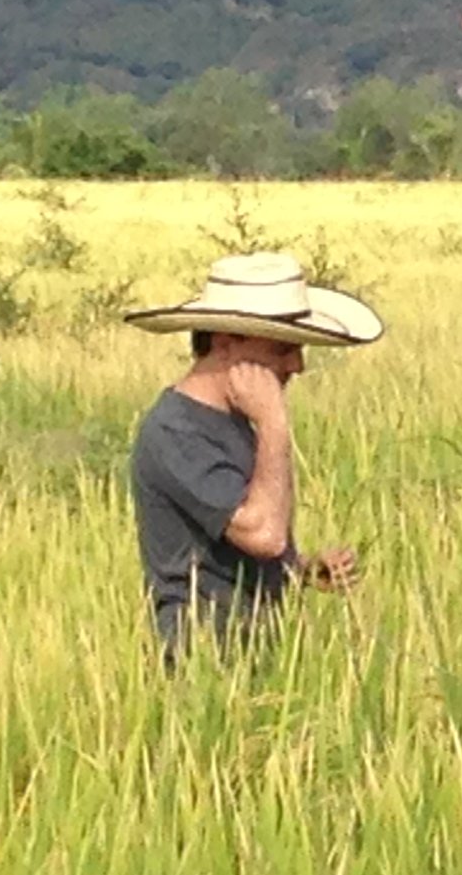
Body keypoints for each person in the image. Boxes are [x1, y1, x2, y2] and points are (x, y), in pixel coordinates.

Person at [124, 252, 383, 657]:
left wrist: (303, 571)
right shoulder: (177, 431)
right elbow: (264, 534)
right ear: (227, 344)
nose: (297, 365)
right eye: (282, 349)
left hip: (252, 649)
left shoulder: (233, 421)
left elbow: (237, 547)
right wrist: (274, 424)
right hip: (201, 656)